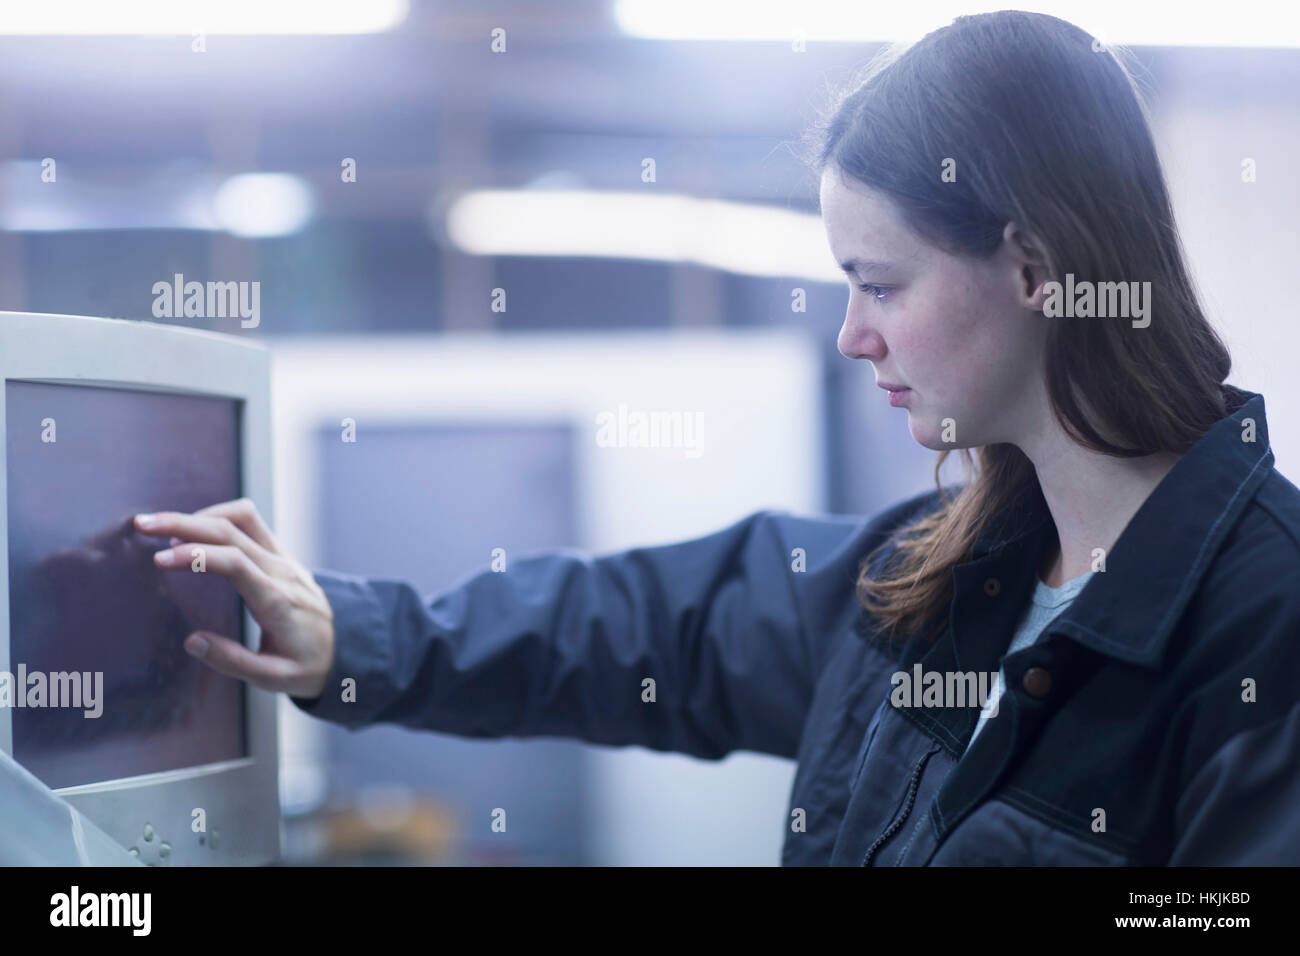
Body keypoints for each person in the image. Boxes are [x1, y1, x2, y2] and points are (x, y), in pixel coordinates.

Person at [133, 11, 1300, 865]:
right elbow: (641, 628)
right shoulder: (930, 581)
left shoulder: (1266, 630)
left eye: (879, 285)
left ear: (1035, 269)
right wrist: (355, 635)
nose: (852, 337)